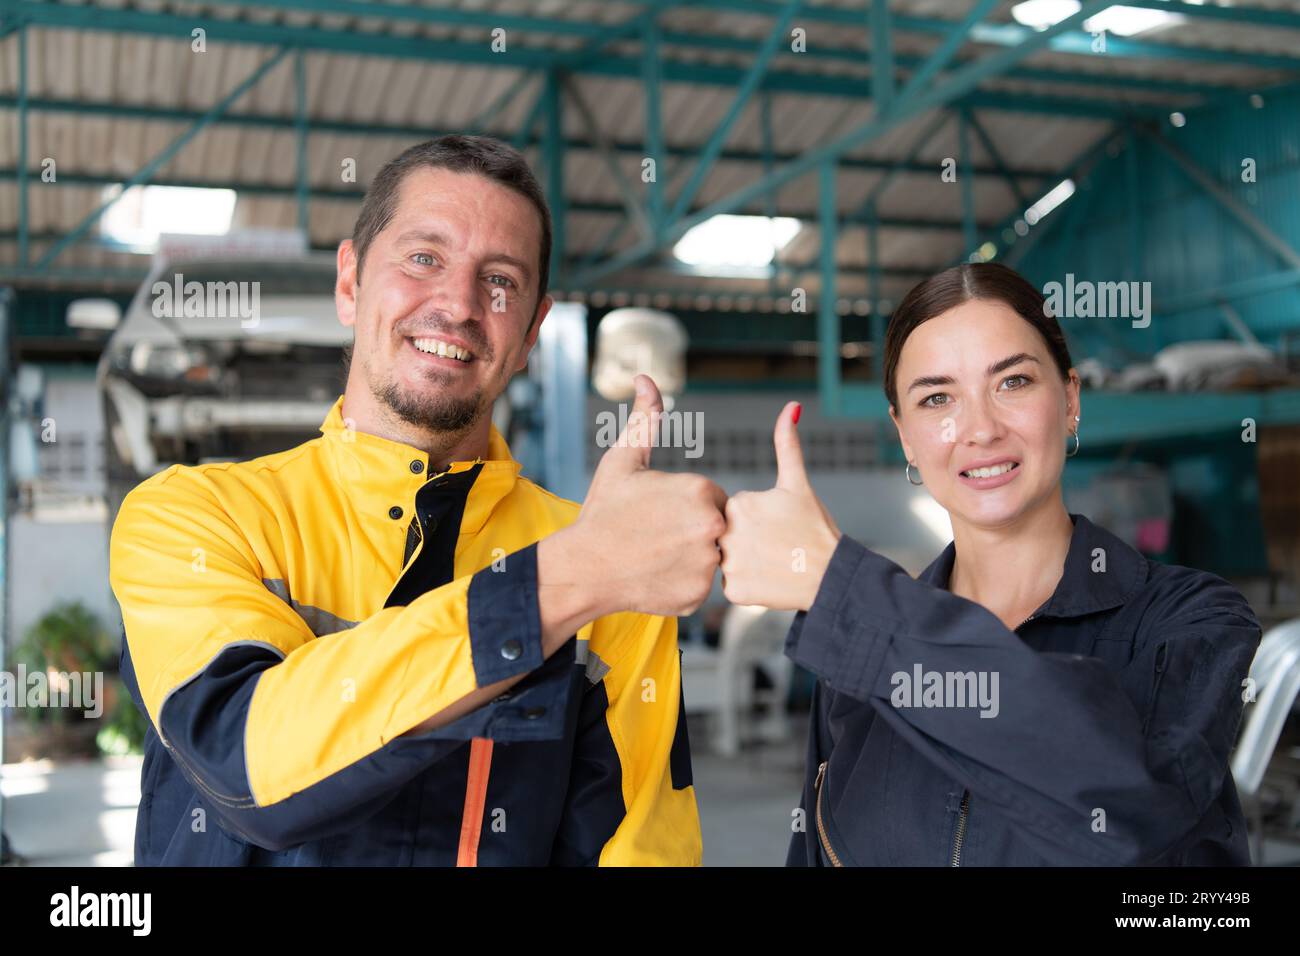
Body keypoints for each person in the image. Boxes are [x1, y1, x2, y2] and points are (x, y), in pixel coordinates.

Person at [109, 135, 725, 866]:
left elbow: (642, 847)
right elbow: (246, 770)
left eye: (499, 280)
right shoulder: (194, 517)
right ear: (350, 283)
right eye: (423, 258)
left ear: (530, 332)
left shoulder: (612, 574)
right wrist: (568, 578)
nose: (459, 304)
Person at [719, 262, 1262, 866]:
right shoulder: (851, 670)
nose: (978, 429)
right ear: (904, 435)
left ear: (1071, 399)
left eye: (1013, 382)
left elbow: (1137, 813)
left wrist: (843, 596)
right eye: (937, 397)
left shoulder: (1191, 620)